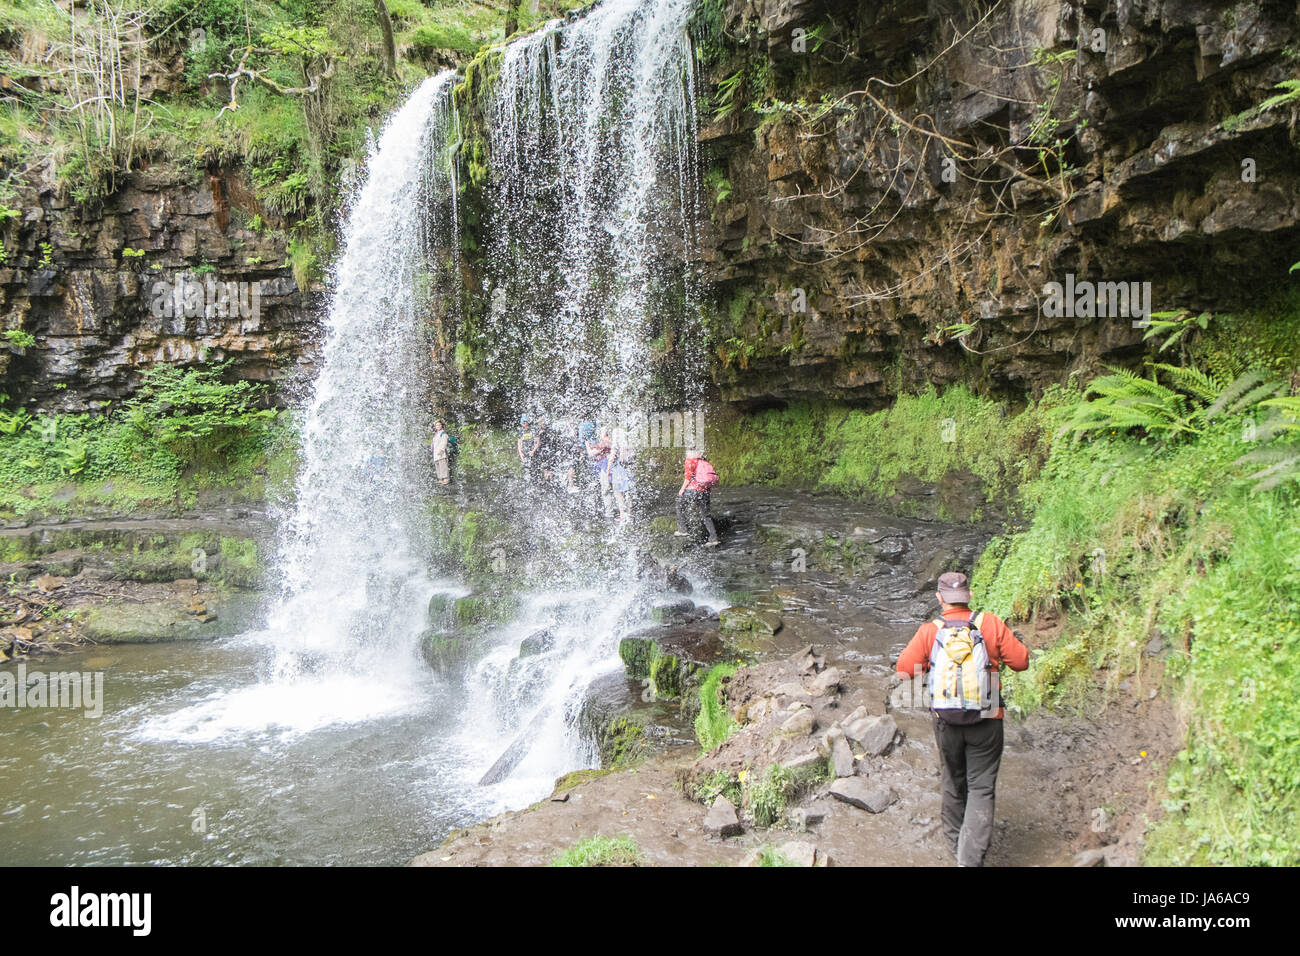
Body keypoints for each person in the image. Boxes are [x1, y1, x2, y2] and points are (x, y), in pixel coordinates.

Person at [893, 572, 1029, 867]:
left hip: (947, 720)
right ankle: (968, 860)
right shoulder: (990, 624)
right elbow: (1021, 662)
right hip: (988, 716)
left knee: (953, 782)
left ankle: (957, 847)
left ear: (940, 599)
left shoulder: (931, 631)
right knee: (981, 787)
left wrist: (930, 662)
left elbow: (903, 670)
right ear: (968, 596)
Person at [675, 448, 719, 546]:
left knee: (679, 503)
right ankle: (713, 538)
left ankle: (682, 529)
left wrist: (681, 490)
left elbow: (687, 478)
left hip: (694, 490)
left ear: (690, 452)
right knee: (706, 516)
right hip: (705, 491)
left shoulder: (690, 460)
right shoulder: (704, 460)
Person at [430, 420, 451, 485]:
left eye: (439, 425)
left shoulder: (443, 433)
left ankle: (446, 478)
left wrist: (441, 449)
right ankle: (440, 478)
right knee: (438, 465)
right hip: (436, 453)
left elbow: (444, 442)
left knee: (443, 465)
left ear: (441, 425)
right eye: (436, 425)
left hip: (441, 452)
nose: (438, 426)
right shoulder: (436, 434)